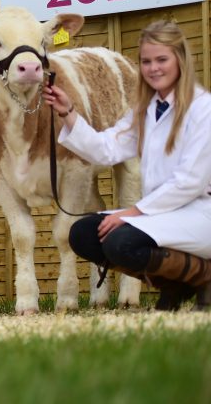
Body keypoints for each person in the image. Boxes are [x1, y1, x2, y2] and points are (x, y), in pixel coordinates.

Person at [43, 20, 211, 310]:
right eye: (146, 61)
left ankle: (204, 277)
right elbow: (106, 150)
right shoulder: (145, 110)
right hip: (160, 213)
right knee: (82, 235)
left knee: (120, 242)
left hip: (197, 214)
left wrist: (130, 213)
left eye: (162, 59)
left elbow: (190, 182)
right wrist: (68, 112)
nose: (153, 68)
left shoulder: (203, 108)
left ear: (180, 60)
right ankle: (173, 284)